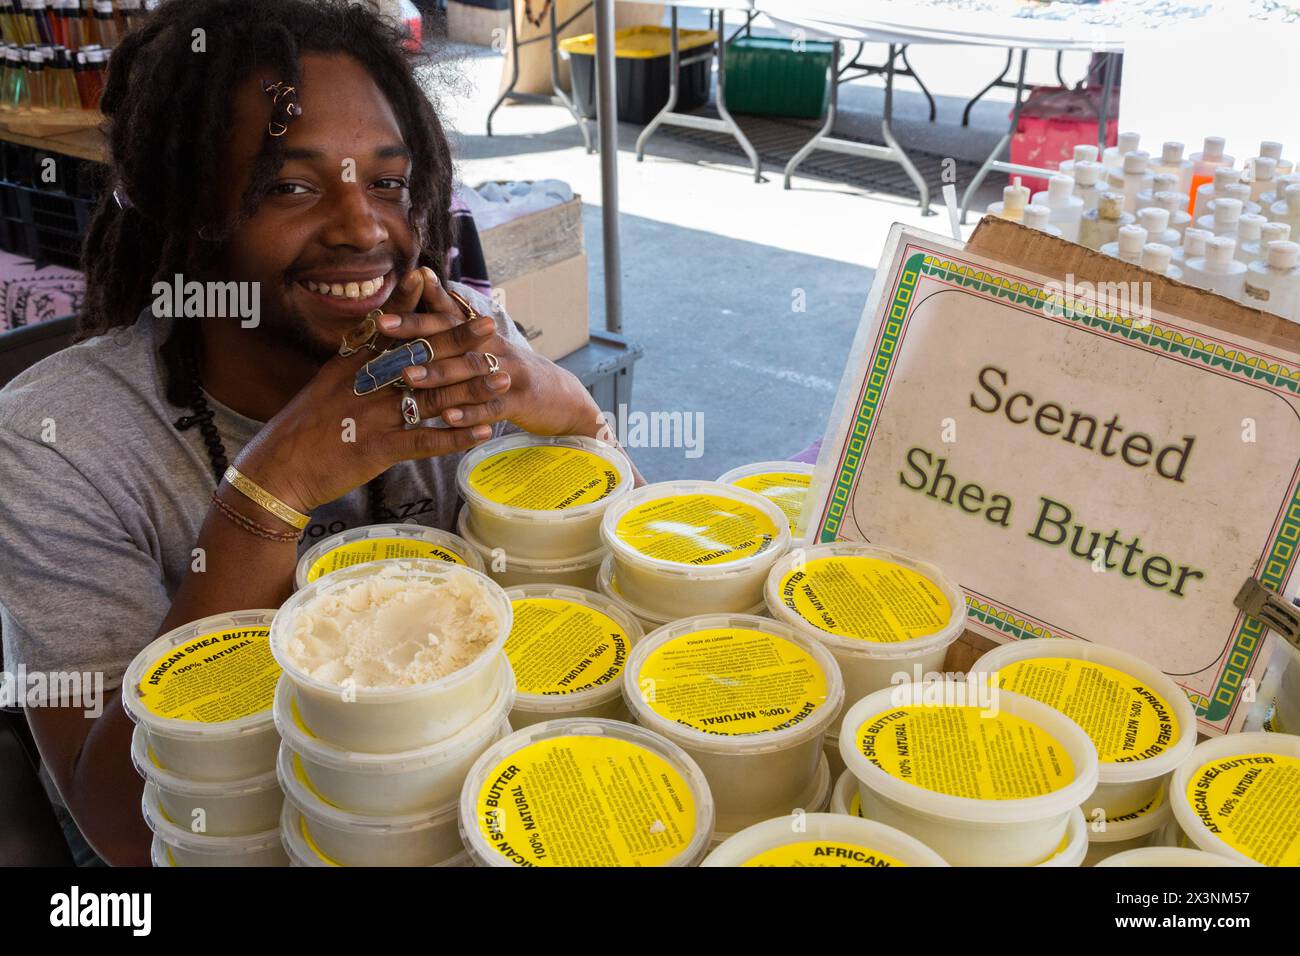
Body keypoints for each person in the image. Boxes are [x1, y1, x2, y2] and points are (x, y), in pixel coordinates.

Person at [0, 0, 624, 866]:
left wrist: (568, 403)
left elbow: (605, 592)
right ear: (183, 204)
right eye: (290, 187)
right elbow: (119, 826)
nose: (364, 230)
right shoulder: (54, 445)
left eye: (387, 182)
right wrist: (273, 488)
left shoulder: (457, 342)